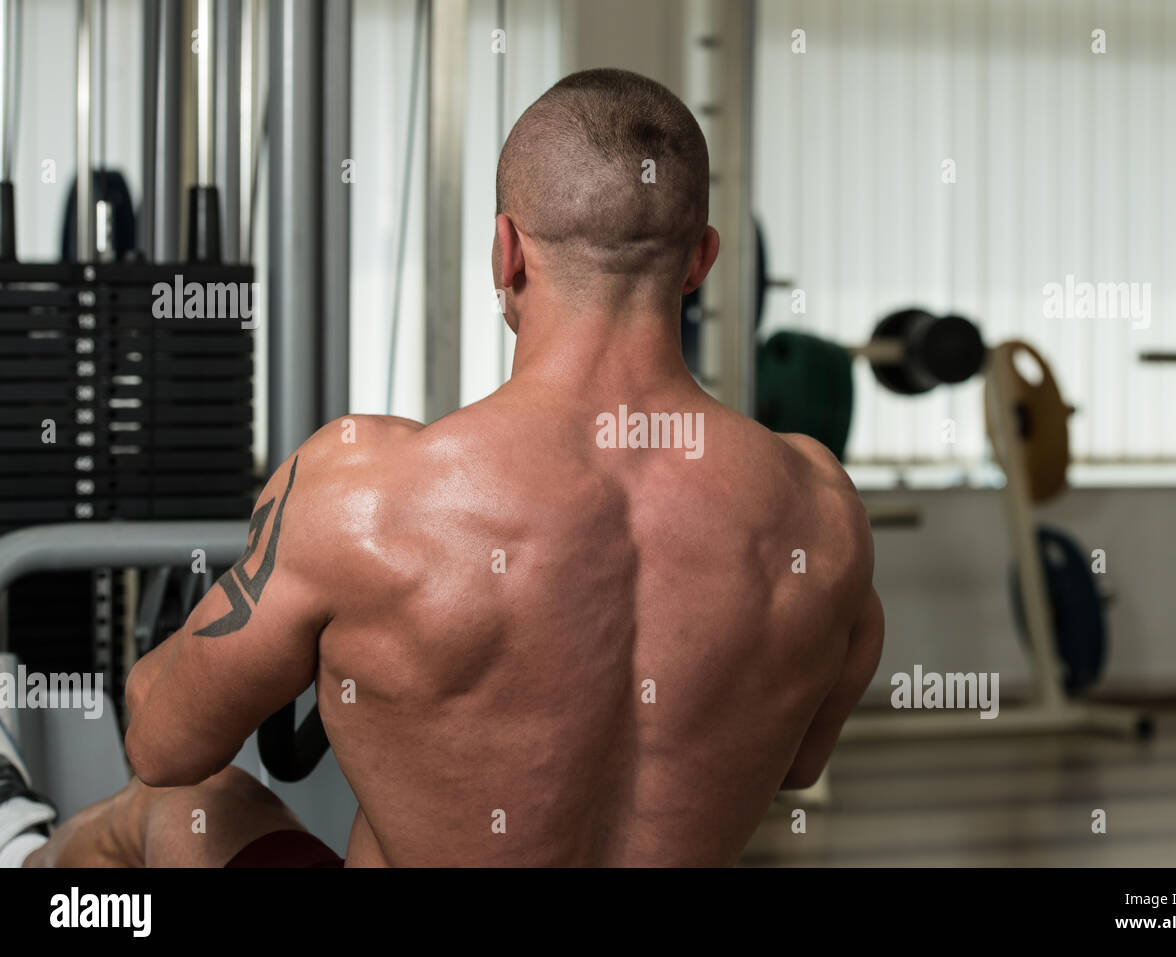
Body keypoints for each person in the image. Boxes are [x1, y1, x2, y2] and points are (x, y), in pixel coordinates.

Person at [2, 68, 882, 868]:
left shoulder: (364, 495)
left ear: (506, 252)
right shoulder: (822, 510)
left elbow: (161, 741)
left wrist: (302, 618)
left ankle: (24, 856)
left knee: (185, 803)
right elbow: (800, 759)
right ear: (702, 261)